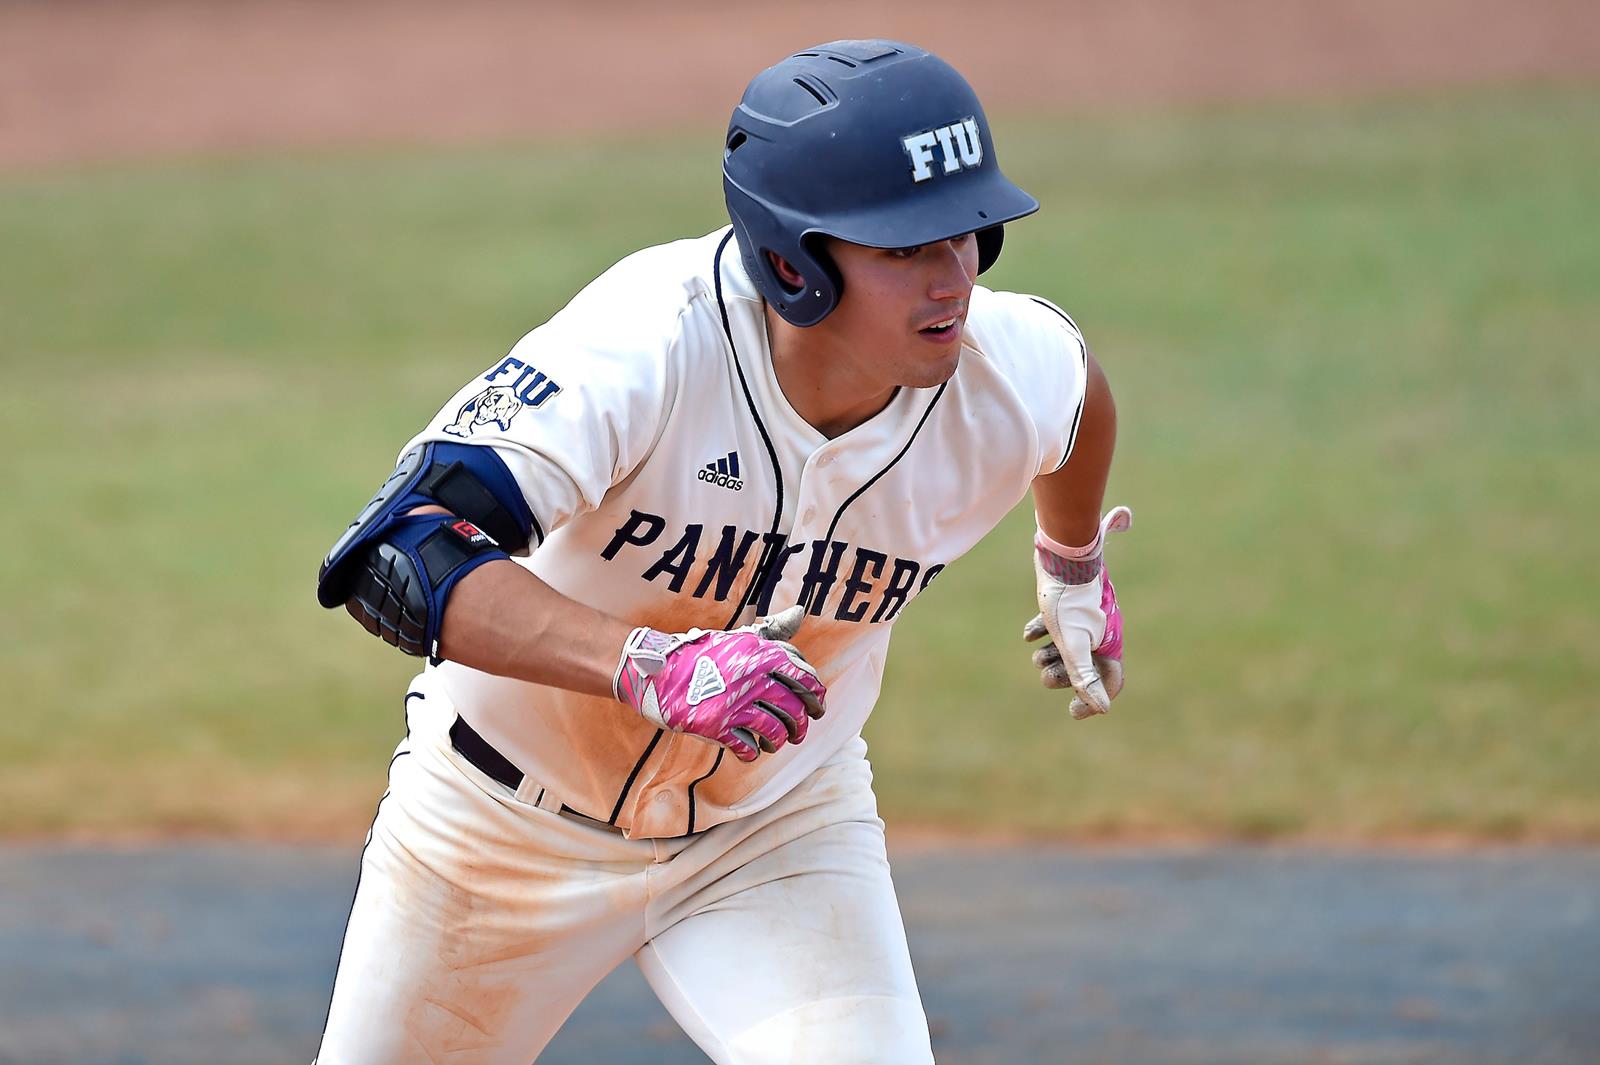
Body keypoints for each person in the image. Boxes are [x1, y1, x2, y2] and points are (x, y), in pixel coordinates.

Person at [312, 38, 1130, 1065]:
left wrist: (1069, 561)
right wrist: (645, 665)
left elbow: (1078, 396)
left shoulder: (1005, 373)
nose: (951, 280)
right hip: (495, 835)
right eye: (902, 249)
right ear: (793, 264)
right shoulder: (647, 346)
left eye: (967, 236)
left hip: (775, 836)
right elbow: (402, 559)